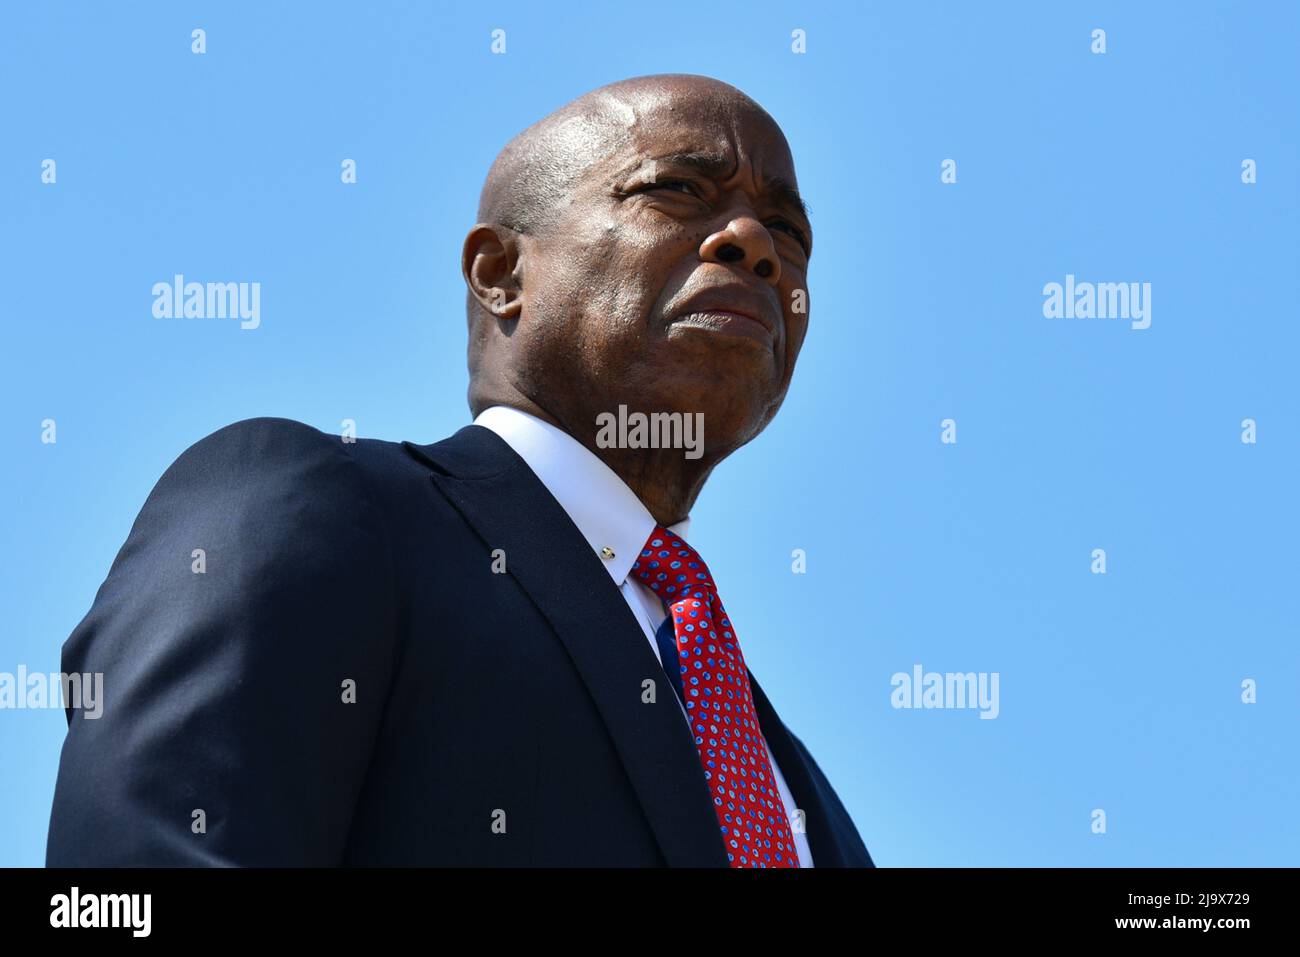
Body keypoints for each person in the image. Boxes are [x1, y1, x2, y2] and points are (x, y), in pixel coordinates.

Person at [46, 73, 873, 868]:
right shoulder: (316, 505)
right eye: (680, 190)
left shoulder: (794, 786)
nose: (757, 245)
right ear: (499, 273)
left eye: (790, 232)